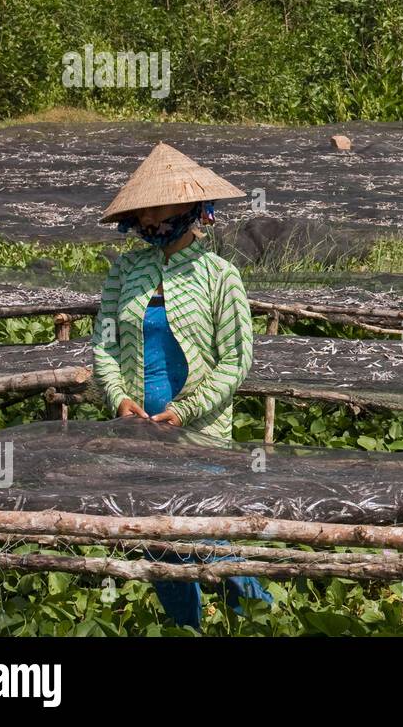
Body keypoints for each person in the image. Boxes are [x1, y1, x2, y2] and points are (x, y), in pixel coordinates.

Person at [92, 142, 271, 628]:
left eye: (161, 205)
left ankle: (260, 620)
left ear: (192, 208)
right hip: (139, 432)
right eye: (144, 208)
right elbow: (105, 347)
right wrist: (119, 398)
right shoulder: (124, 273)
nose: (151, 217)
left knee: (212, 539)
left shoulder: (220, 276)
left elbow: (236, 362)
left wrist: (186, 410)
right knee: (159, 544)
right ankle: (183, 629)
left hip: (199, 435)